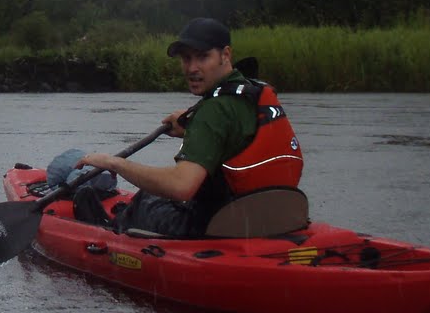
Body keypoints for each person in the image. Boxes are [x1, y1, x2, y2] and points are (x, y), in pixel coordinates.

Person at [75, 17, 303, 237]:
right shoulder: (253, 92)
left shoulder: (212, 112)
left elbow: (181, 187)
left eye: (202, 57)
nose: (192, 68)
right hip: (268, 216)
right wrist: (190, 124)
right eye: (186, 59)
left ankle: (109, 227)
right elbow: (238, 133)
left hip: (215, 225)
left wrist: (114, 163)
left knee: (146, 200)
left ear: (225, 55)